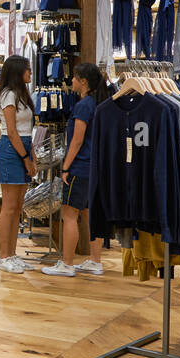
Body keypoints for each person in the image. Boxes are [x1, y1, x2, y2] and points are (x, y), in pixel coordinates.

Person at [44, 61, 108, 277]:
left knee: (69, 215)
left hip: (79, 167)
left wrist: (66, 167)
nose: (70, 81)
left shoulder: (83, 106)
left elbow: (77, 141)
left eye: (74, 78)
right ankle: (95, 260)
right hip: (94, 168)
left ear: (83, 82)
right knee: (90, 215)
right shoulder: (98, 104)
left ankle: (68, 263)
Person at [0, 54, 37, 274]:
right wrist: (25, 158)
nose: (30, 72)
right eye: (27, 69)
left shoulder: (22, 95)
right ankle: (3, 256)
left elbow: (27, 130)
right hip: (11, 151)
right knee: (9, 208)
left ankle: (12, 253)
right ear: (17, 72)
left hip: (23, 148)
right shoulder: (8, 95)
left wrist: (32, 156)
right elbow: (11, 131)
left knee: (18, 207)